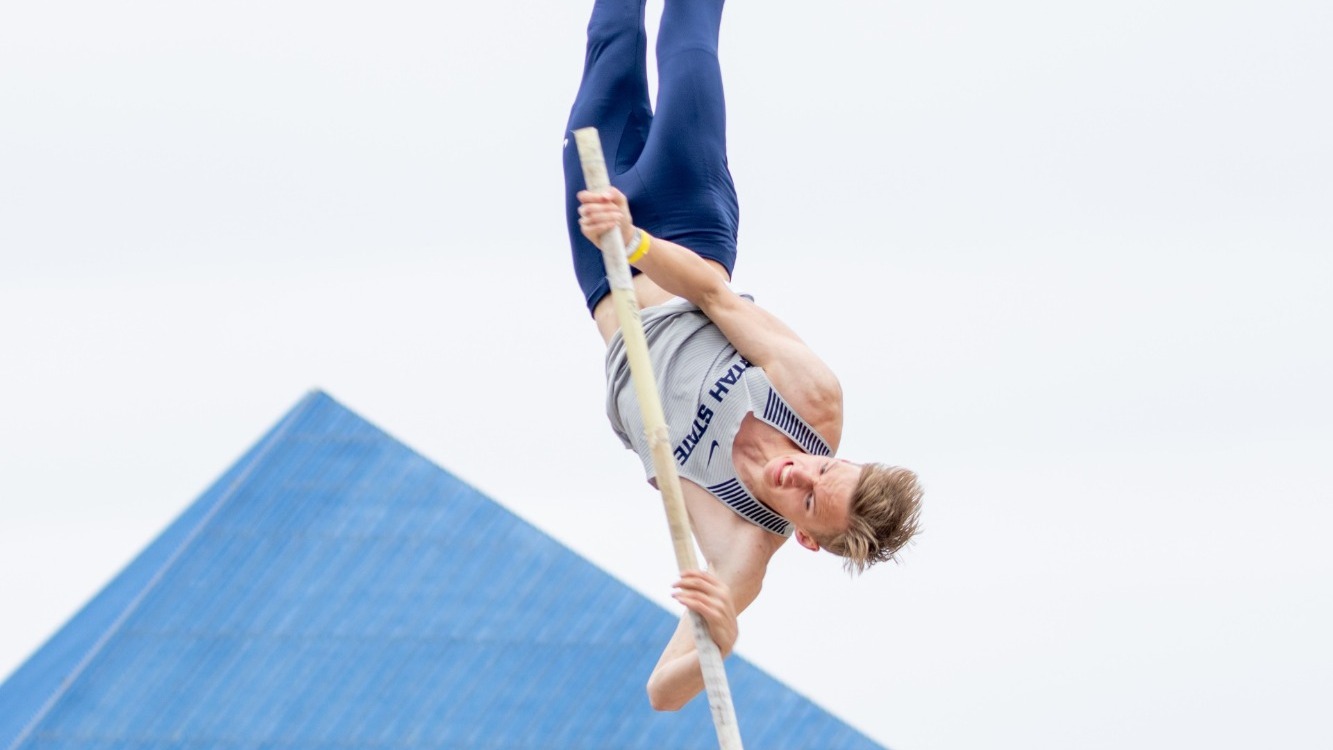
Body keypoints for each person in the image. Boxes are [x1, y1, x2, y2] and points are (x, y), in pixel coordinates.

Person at [562, 0, 923, 711]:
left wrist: (717, 642)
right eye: (823, 468)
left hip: (601, 276)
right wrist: (633, 239)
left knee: (610, 42)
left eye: (809, 499)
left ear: (812, 540)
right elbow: (716, 296)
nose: (799, 472)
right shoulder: (813, 398)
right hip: (682, 217)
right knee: (688, 42)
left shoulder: (739, 549)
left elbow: (663, 692)